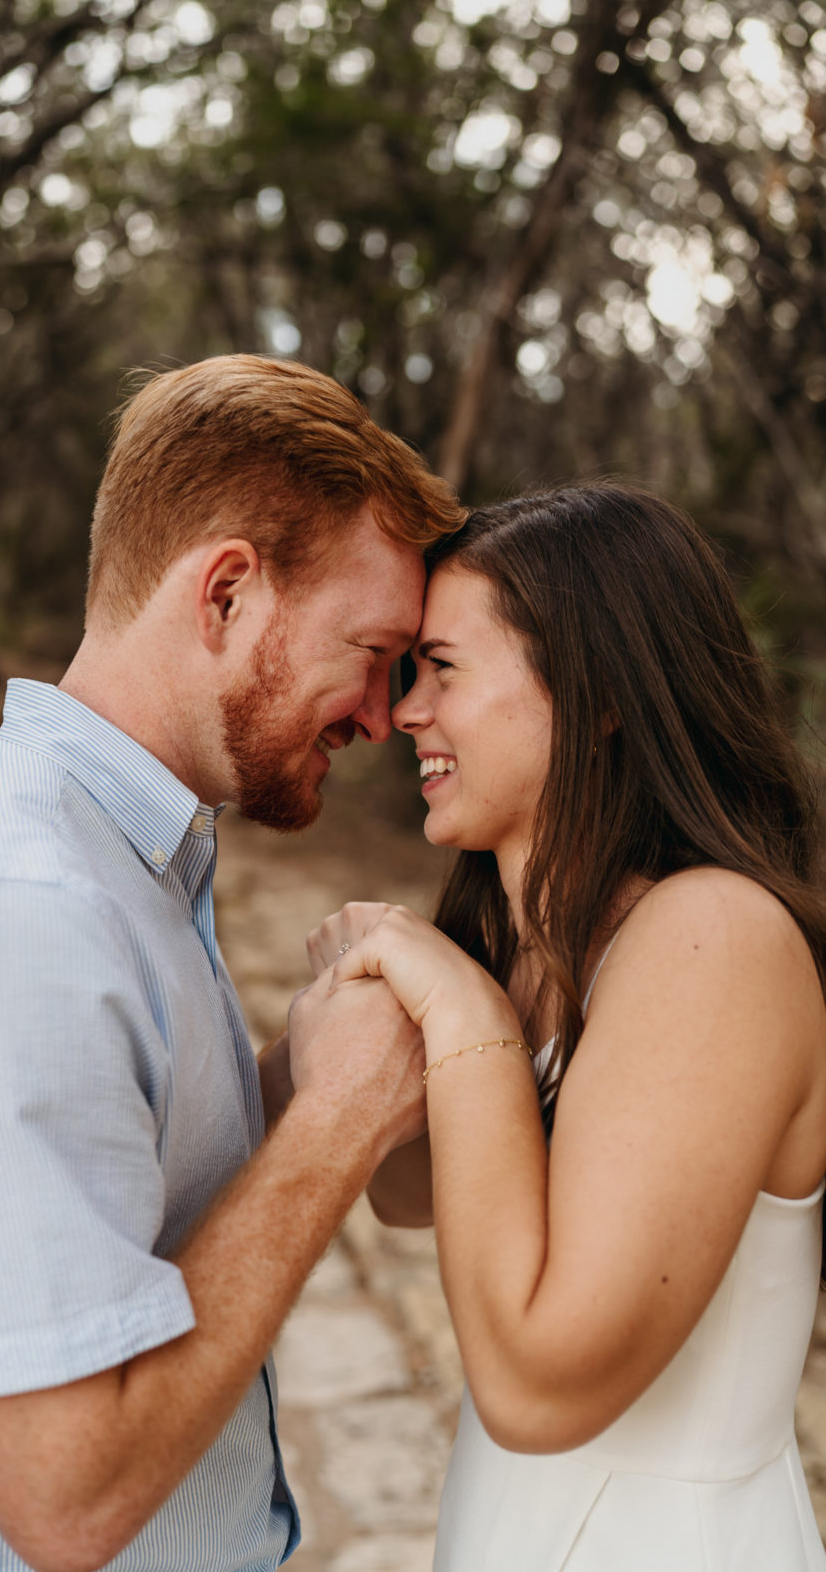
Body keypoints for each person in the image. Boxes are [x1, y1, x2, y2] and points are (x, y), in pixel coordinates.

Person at [0, 354, 465, 1572]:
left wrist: (295, 1076)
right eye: (373, 650)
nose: (379, 712)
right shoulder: (15, 915)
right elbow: (66, 1495)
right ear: (228, 594)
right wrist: (341, 1118)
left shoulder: (110, 857)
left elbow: (123, 1197)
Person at [311, 483, 826, 1569]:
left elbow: (538, 1382)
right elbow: (404, 1193)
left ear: (594, 696)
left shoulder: (712, 941)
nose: (404, 710)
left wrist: (453, 1009)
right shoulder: (533, 942)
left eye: (441, 669)